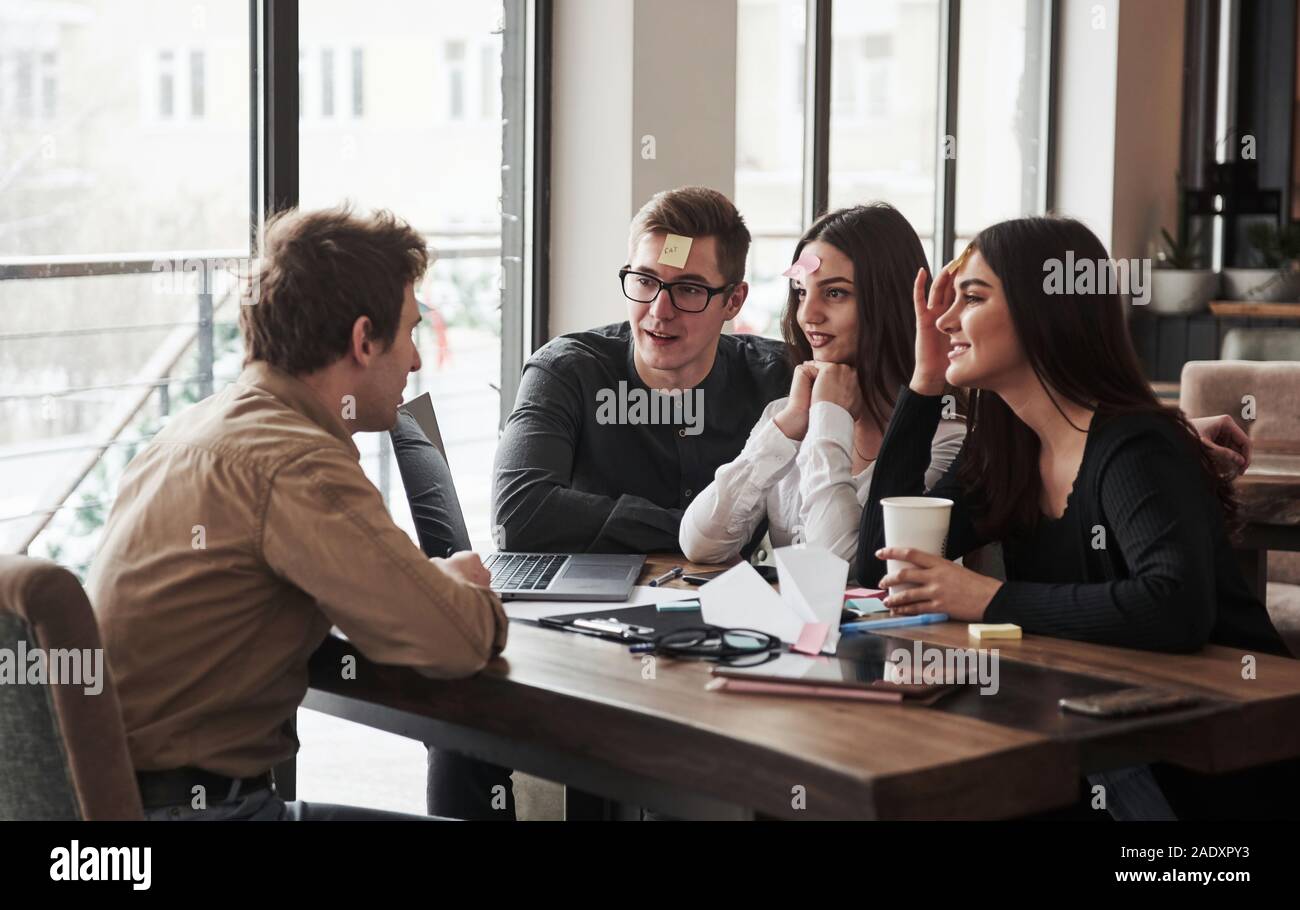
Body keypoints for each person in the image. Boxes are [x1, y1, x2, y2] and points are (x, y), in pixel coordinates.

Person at [858, 215, 1291, 819]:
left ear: (1044, 313)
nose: (945, 318)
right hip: (1096, 737)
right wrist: (926, 380)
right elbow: (877, 560)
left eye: (972, 298)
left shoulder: (1135, 445)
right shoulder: (1005, 447)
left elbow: (1172, 607)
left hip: (1211, 774)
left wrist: (986, 598)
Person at [88, 206, 508, 821]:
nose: (416, 362)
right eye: (411, 332)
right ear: (364, 341)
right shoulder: (295, 461)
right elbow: (458, 639)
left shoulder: (189, 431)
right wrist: (450, 585)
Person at [492, 185, 791, 555]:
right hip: (595, 608)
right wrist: (698, 532)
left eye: (688, 289)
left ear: (734, 301)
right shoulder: (567, 371)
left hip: (733, 605)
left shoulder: (777, 378)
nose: (659, 310)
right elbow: (517, 515)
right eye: (646, 281)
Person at [679, 204, 965, 569]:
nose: (807, 314)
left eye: (835, 294)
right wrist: (786, 428)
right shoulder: (789, 414)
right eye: (801, 292)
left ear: (889, 301)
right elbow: (700, 543)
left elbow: (837, 570)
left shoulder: (945, 438)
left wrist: (830, 419)